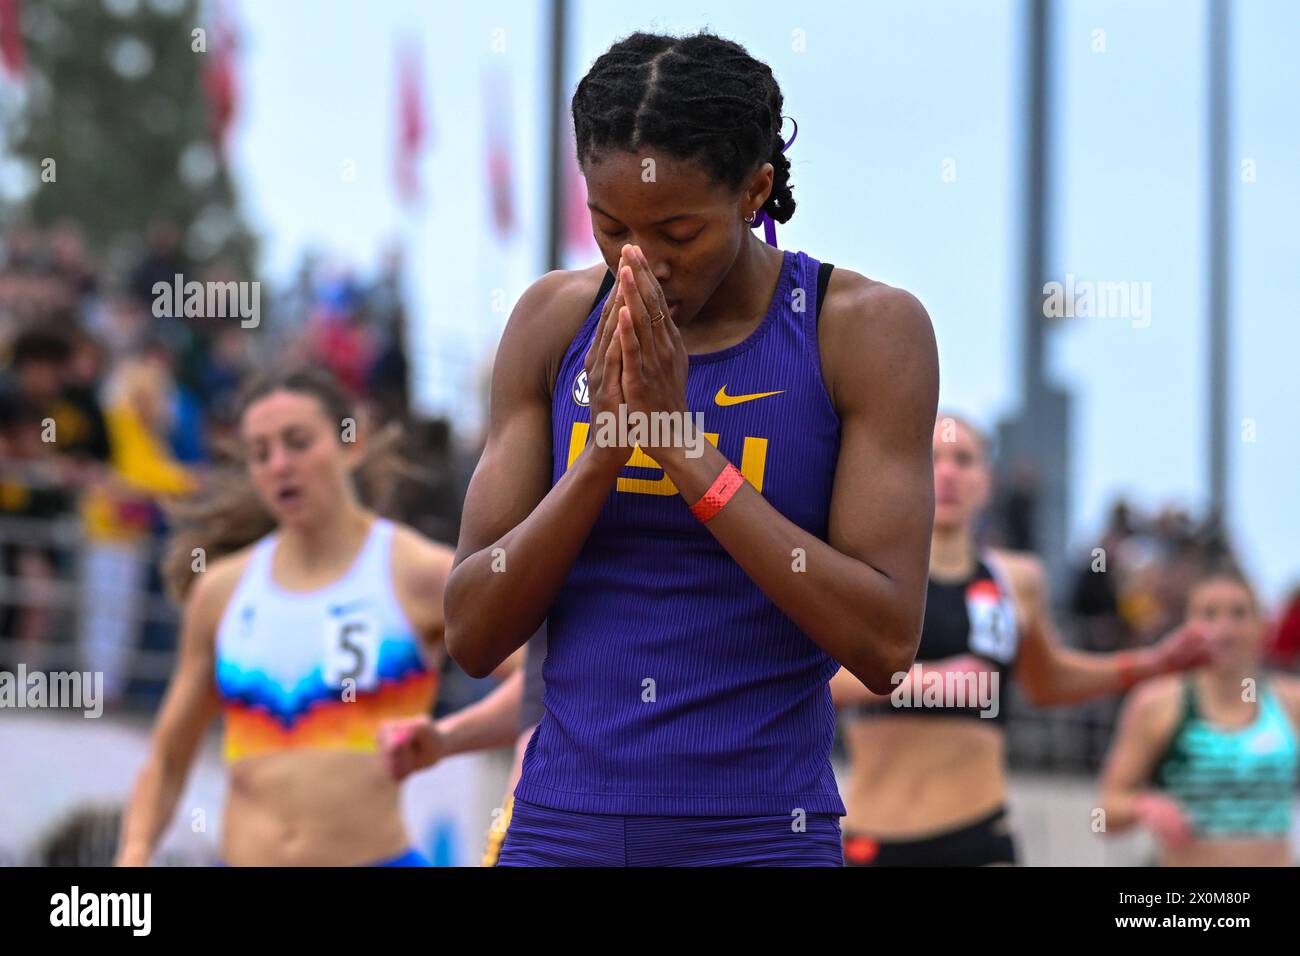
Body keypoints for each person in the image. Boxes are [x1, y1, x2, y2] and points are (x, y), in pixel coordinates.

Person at [443, 31, 939, 866]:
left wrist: (683, 448)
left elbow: (885, 646)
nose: (643, 261)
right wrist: (602, 452)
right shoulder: (552, 324)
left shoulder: (862, 332)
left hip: (761, 838)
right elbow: (472, 631)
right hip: (563, 830)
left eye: (678, 231)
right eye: (610, 229)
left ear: (756, 191)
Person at [832, 413, 1212, 865]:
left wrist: (1150, 664)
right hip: (876, 837)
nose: (949, 472)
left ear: (986, 481)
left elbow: (1046, 680)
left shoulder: (1016, 579)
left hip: (980, 831)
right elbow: (814, 678)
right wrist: (925, 680)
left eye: (964, 459)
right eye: (932, 458)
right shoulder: (868, 571)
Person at [116, 367, 452, 866]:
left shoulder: (420, 573)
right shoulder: (222, 591)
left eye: (297, 443)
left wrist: (455, 737)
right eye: (260, 453)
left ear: (351, 442)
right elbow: (168, 759)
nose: (279, 465)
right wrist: (135, 853)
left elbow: (537, 680)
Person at [1099, 568, 1300, 866]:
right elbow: (1105, 811)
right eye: (1209, 614)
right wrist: (1143, 806)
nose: (1224, 628)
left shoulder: (1291, 701)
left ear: (1262, 626)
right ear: (1188, 627)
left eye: (1239, 613)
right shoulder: (1157, 703)